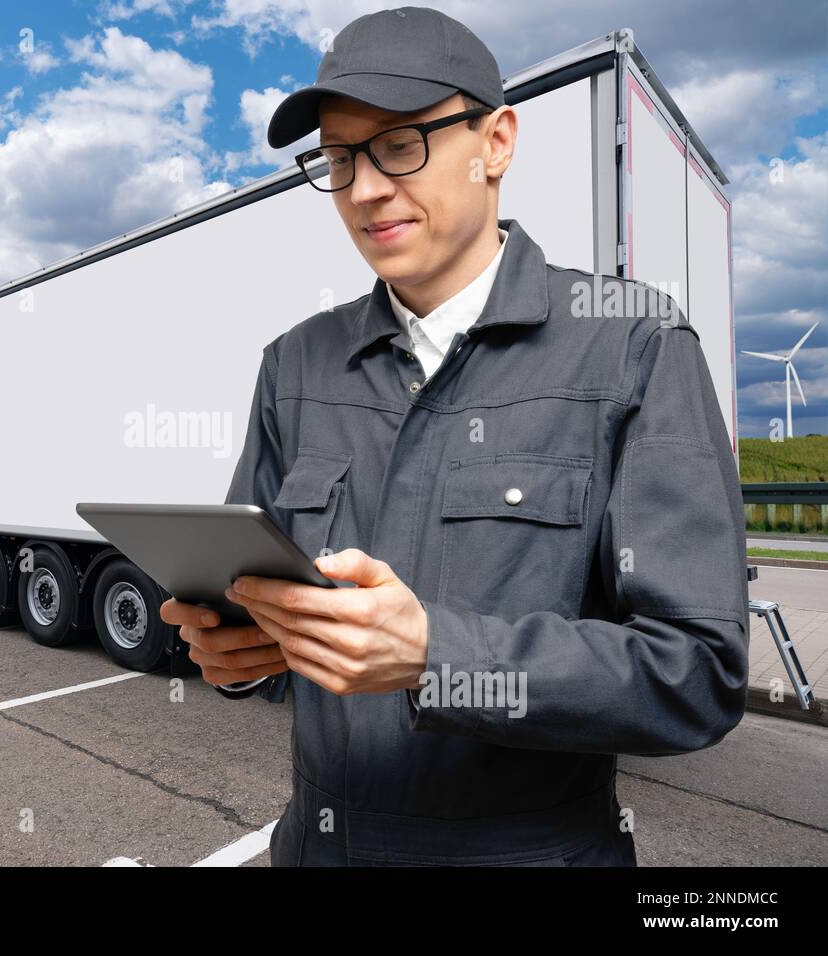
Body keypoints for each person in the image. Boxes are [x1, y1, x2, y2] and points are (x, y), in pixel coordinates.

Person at [159, 6, 749, 866]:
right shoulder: (294, 365)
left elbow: (696, 675)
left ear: (496, 142)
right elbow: (262, 597)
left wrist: (437, 654)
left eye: (400, 145)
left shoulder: (634, 348)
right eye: (338, 158)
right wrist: (240, 652)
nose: (363, 188)